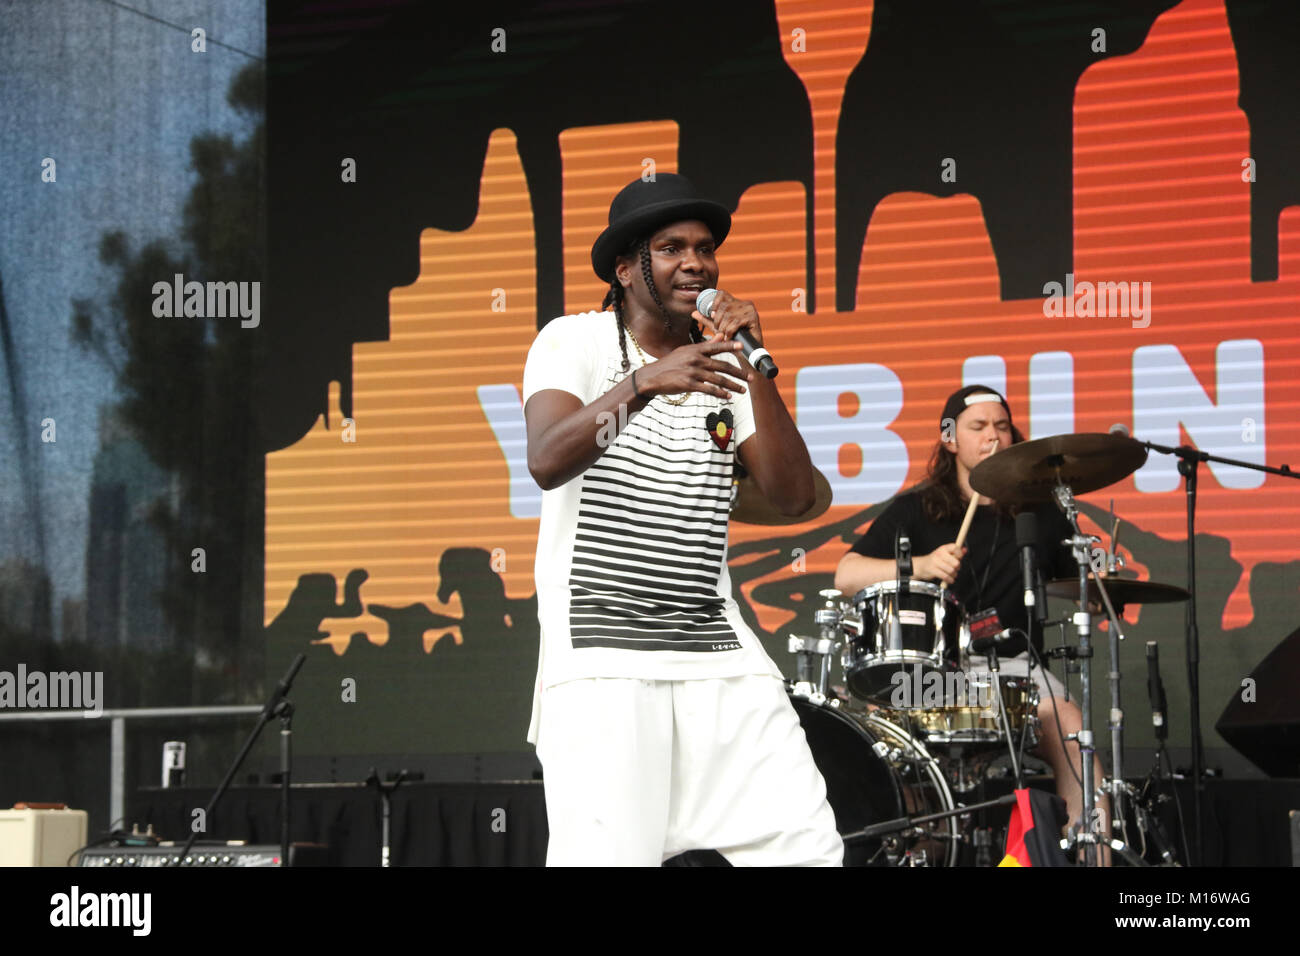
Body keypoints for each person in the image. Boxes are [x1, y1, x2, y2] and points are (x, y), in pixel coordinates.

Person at [522, 173, 842, 866]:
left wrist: (756, 363)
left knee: (804, 849)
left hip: (716, 653)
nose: (696, 262)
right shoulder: (571, 341)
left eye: (704, 248)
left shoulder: (727, 366)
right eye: (670, 247)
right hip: (603, 651)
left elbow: (793, 497)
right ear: (624, 268)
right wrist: (643, 382)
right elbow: (547, 460)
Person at [834, 385, 1112, 864]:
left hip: (1016, 671)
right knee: (898, 760)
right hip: (934, 676)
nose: (993, 437)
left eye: (1001, 426)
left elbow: (1089, 587)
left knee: (1070, 727)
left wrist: (1100, 580)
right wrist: (918, 565)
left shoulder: (1038, 511)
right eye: (979, 427)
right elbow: (846, 574)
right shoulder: (917, 509)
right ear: (950, 440)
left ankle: (1093, 855)